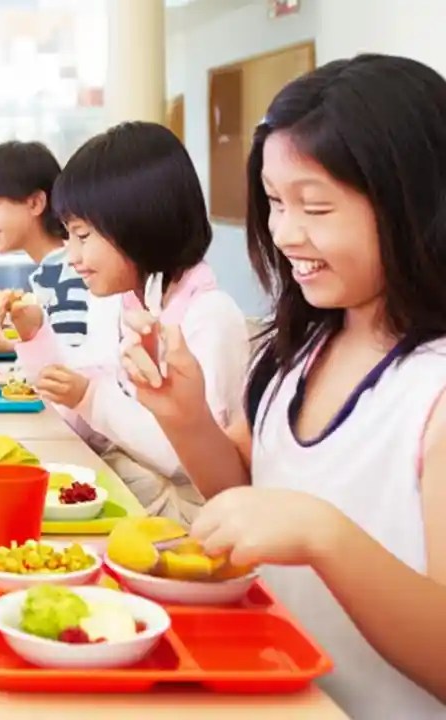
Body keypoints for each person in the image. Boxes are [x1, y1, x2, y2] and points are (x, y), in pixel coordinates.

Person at [120, 55, 446, 718]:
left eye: (316, 206)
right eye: (272, 202)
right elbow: (245, 497)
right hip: (274, 695)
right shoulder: (304, 347)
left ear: (416, 203)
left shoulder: (433, 392)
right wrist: (186, 419)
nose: (285, 233)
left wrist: (325, 535)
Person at [6, 122, 247, 524]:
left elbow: (186, 458)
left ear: (139, 225)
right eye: (68, 235)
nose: (72, 256)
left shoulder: (211, 318)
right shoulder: (120, 303)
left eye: (82, 235)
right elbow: (78, 424)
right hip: (126, 504)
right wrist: (34, 338)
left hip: (187, 532)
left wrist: (90, 397)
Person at [0, 141, 89, 352]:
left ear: (35, 203)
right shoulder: (53, 270)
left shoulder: (71, 273)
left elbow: (69, 358)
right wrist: (1, 325)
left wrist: (2, 343)